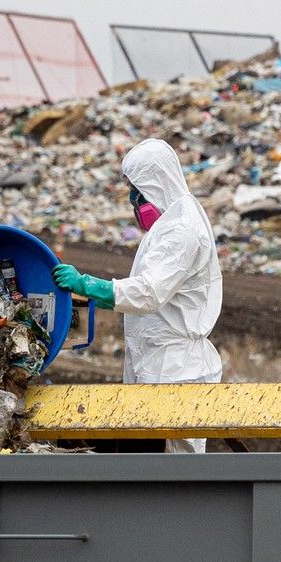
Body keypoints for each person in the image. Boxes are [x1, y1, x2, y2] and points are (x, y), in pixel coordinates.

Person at [52, 138, 223, 453]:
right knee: (145, 462)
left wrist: (88, 285)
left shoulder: (180, 231)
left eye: (138, 190)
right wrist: (94, 298)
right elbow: (143, 296)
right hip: (155, 362)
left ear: (156, 184)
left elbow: (148, 293)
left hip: (173, 370)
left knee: (170, 469)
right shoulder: (168, 224)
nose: (133, 199)